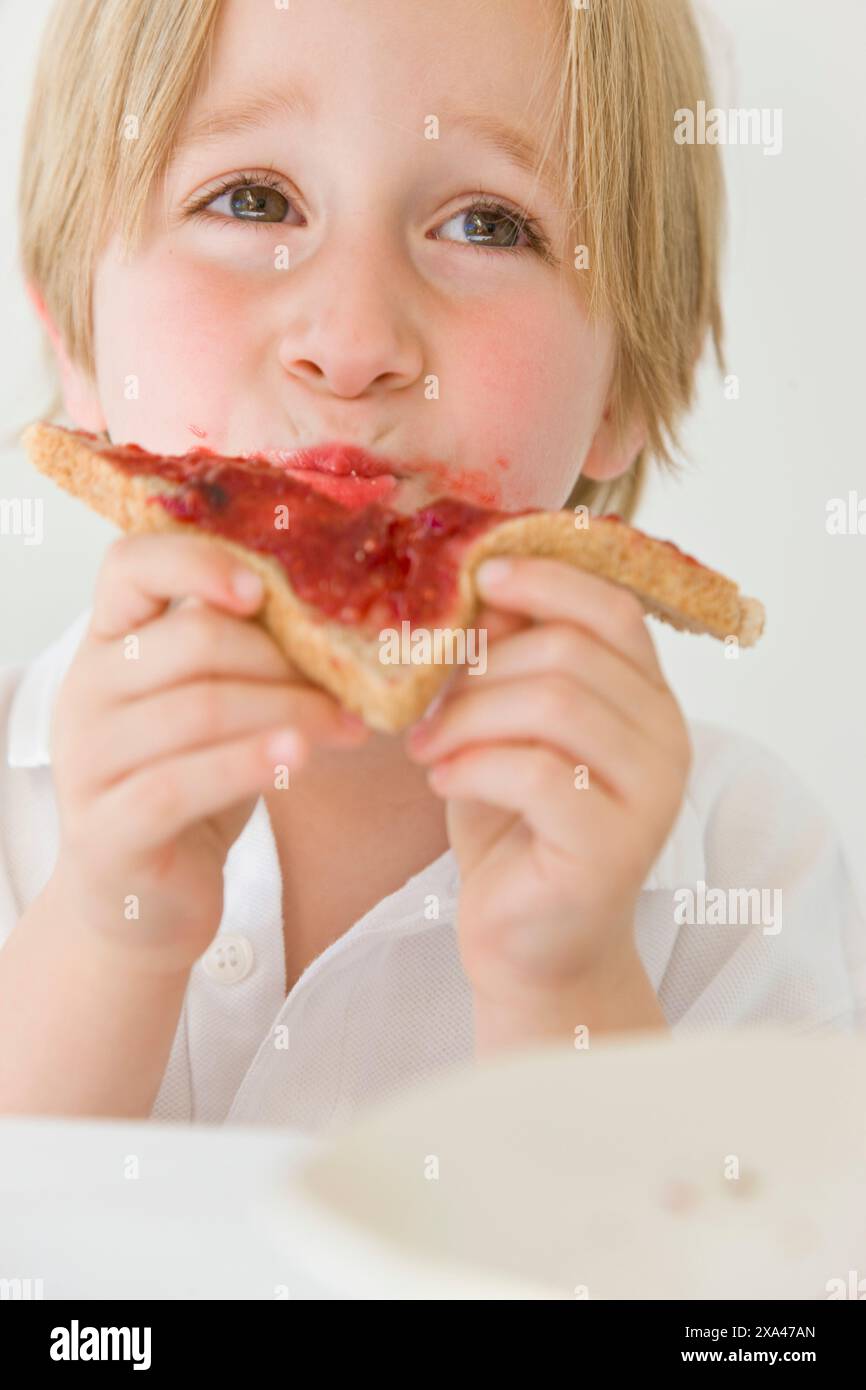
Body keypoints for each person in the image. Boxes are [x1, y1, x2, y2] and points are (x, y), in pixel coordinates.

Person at [1, 0, 862, 1131]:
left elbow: (746, 1307)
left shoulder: (741, 863)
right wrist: (106, 936)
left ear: (624, 389)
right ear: (75, 336)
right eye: (251, 200)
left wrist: (567, 988)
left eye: (486, 225)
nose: (353, 341)